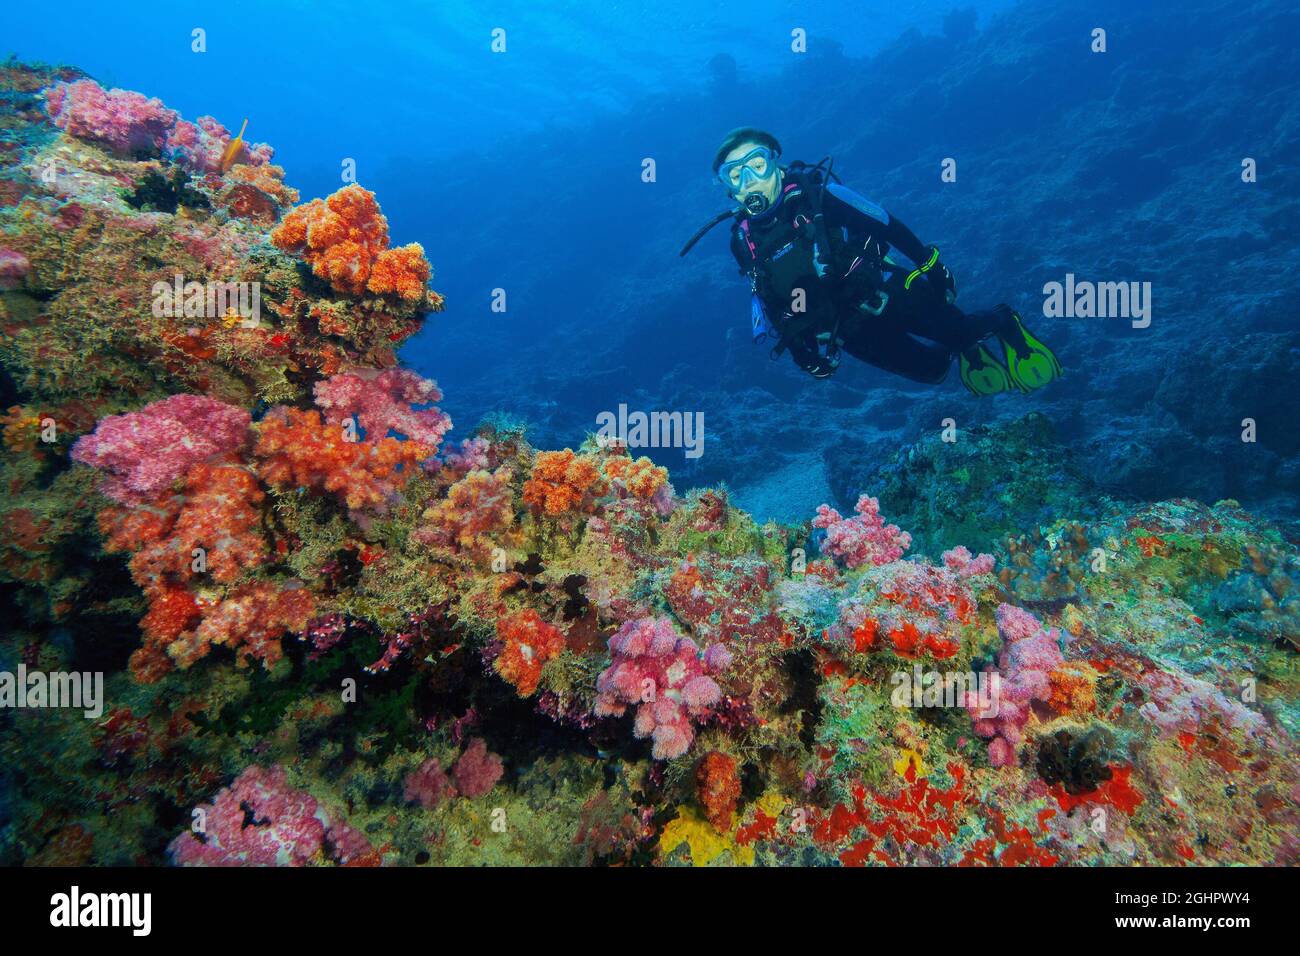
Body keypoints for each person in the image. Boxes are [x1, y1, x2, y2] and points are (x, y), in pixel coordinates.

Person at [689, 127, 1061, 394]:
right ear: (728, 189)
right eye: (735, 174)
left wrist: (932, 268)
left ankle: (1001, 320)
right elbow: (766, 297)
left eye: (757, 163)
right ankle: (963, 344)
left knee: (961, 331)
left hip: (884, 292)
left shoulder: (820, 198)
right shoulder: (743, 240)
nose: (750, 180)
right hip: (846, 329)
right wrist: (802, 354)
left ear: (776, 163)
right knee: (932, 372)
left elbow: (887, 225)